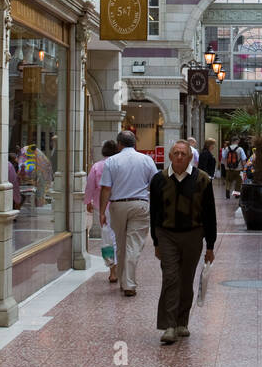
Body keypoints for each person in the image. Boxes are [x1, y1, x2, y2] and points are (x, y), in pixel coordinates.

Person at [150, 140, 216, 345]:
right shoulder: (159, 179)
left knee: (186, 280)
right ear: (170, 156)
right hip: (166, 234)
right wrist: (156, 242)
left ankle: (181, 322)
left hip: (193, 235)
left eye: (183, 154)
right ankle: (169, 326)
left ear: (190, 158)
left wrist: (210, 245)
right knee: (171, 277)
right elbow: (155, 212)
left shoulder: (202, 179)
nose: (179, 157)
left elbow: (209, 214)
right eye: (176, 153)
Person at [99, 129, 159, 297]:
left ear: (119, 144)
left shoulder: (111, 161)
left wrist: (102, 211)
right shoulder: (146, 160)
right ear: (135, 143)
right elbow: (155, 184)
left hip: (117, 205)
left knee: (121, 243)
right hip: (140, 204)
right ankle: (129, 284)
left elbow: (106, 188)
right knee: (134, 245)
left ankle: (123, 279)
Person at [85, 140, 119, 282]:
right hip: (120, 204)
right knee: (120, 237)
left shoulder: (97, 166)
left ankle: (112, 270)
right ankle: (121, 268)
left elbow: (89, 186)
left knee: (107, 237)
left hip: (104, 208)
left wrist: (88, 201)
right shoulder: (119, 165)